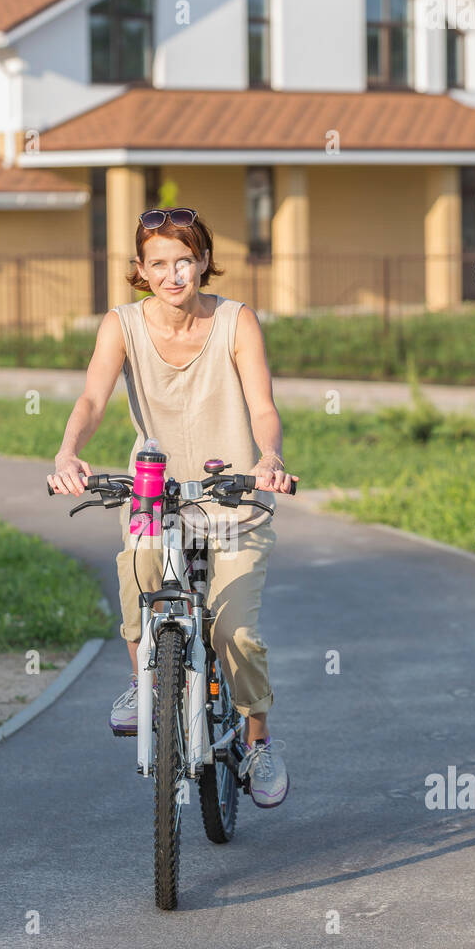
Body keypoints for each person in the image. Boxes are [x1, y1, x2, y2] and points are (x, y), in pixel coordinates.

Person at [47, 207, 298, 808]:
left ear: (205, 260)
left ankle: (259, 742)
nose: (173, 274)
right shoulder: (122, 326)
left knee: (235, 633)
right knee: (136, 583)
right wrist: (68, 452)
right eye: (158, 263)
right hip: (153, 494)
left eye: (184, 260)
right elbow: (91, 398)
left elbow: (263, 404)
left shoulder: (237, 321)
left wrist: (268, 457)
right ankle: (143, 682)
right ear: (140, 270)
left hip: (232, 499)